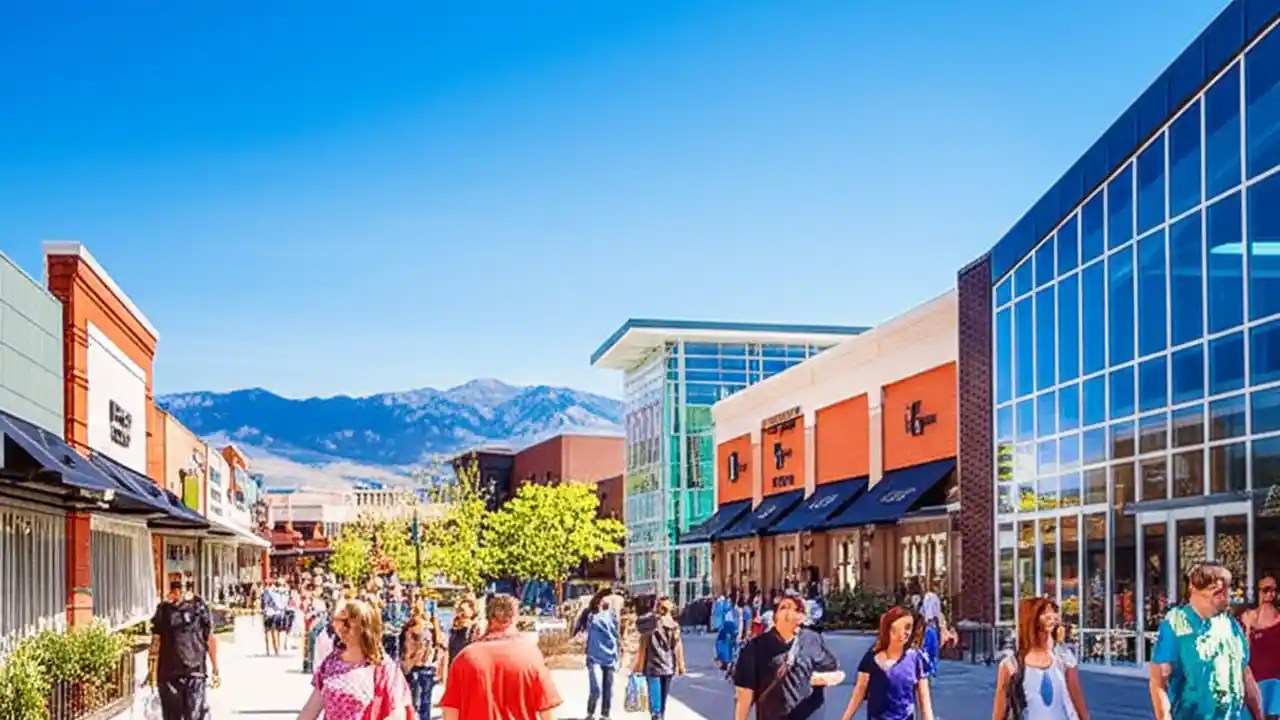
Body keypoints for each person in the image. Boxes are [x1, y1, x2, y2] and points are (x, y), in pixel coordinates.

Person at [1149, 561, 1264, 720]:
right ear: (1193, 589)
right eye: (1216, 593)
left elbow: (1245, 673)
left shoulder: (1230, 625)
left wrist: (1259, 716)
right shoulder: (1175, 625)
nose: (1224, 599)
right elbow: (1158, 682)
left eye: (1226, 593)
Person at [439, 593, 562, 720]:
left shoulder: (465, 658)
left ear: (488, 619)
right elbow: (546, 710)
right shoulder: (531, 655)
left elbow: (451, 710)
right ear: (515, 618)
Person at [733, 591, 844, 720]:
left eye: (796, 609)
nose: (790, 613)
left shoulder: (812, 640)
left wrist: (819, 678)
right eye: (784, 607)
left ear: (802, 616)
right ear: (774, 616)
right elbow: (744, 694)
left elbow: (836, 672)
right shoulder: (755, 647)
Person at [297, 599, 414, 720]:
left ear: (364, 629)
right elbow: (310, 709)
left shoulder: (385, 669)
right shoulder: (331, 662)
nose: (340, 628)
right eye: (339, 622)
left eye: (347, 624)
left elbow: (397, 715)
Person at [992, 597, 1090, 720]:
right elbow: (1000, 709)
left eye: (1053, 612)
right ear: (1030, 619)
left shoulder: (1064, 658)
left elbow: (1077, 699)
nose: (1052, 617)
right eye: (1044, 613)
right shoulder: (1011, 665)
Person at [840, 606, 935, 720]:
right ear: (889, 629)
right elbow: (858, 694)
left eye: (908, 628)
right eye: (897, 629)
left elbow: (925, 702)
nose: (904, 633)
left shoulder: (916, 659)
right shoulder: (870, 659)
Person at [148, 580, 220, 720]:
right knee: (193, 715)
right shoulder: (200, 608)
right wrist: (215, 667)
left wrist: (151, 671)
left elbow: (155, 644)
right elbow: (210, 639)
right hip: (193, 672)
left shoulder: (164, 610)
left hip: (171, 674)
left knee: (172, 716)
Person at [634, 596, 686, 720]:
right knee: (662, 702)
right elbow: (677, 646)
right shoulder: (674, 625)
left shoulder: (650, 622)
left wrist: (639, 664)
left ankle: (657, 716)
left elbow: (642, 638)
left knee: (655, 704)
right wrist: (681, 665)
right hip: (668, 666)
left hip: (652, 667)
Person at [578, 593, 622, 720]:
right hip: (594, 657)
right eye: (604, 599)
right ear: (599, 602)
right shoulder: (592, 616)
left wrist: (619, 651)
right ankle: (591, 712)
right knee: (595, 687)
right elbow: (587, 632)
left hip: (609, 656)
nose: (607, 601)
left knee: (607, 687)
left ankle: (605, 714)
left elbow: (616, 634)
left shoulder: (613, 616)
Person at [401, 599, 446, 720]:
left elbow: (439, 646)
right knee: (422, 703)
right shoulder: (417, 627)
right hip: (422, 667)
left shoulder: (415, 627)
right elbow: (440, 645)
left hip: (418, 667)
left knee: (417, 703)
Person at [1242, 575, 1280, 718]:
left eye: (1273, 590)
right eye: (1266, 590)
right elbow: (1243, 651)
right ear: (1259, 592)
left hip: (1276, 683)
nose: (1270, 594)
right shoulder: (1248, 618)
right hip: (1254, 681)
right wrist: (1247, 627)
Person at [917, 580, 955, 678]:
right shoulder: (933, 598)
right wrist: (938, 629)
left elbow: (922, 615)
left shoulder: (926, 598)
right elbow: (934, 617)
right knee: (932, 649)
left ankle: (927, 669)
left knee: (927, 649)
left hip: (927, 627)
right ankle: (930, 670)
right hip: (931, 627)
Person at [448, 597, 482, 668]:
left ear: (472, 611)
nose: (461, 613)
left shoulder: (476, 629)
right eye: (460, 610)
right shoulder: (455, 631)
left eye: (463, 610)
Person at [261, 577, 289, 656]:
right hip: (279, 613)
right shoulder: (284, 592)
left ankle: (270, 649)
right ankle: (277, 649)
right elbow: (285, 602)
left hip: (270, 613)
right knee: (277, 632)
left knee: (269, 631)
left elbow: (264, 603)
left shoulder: (268, 592)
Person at [717, 593, 744, 672]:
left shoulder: (735, 610)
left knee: (731, 648)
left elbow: (738, 621)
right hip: (732, 629)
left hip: (731, 629)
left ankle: (730, 664)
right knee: (731, 648)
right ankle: (730, 664)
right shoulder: (733, 610)